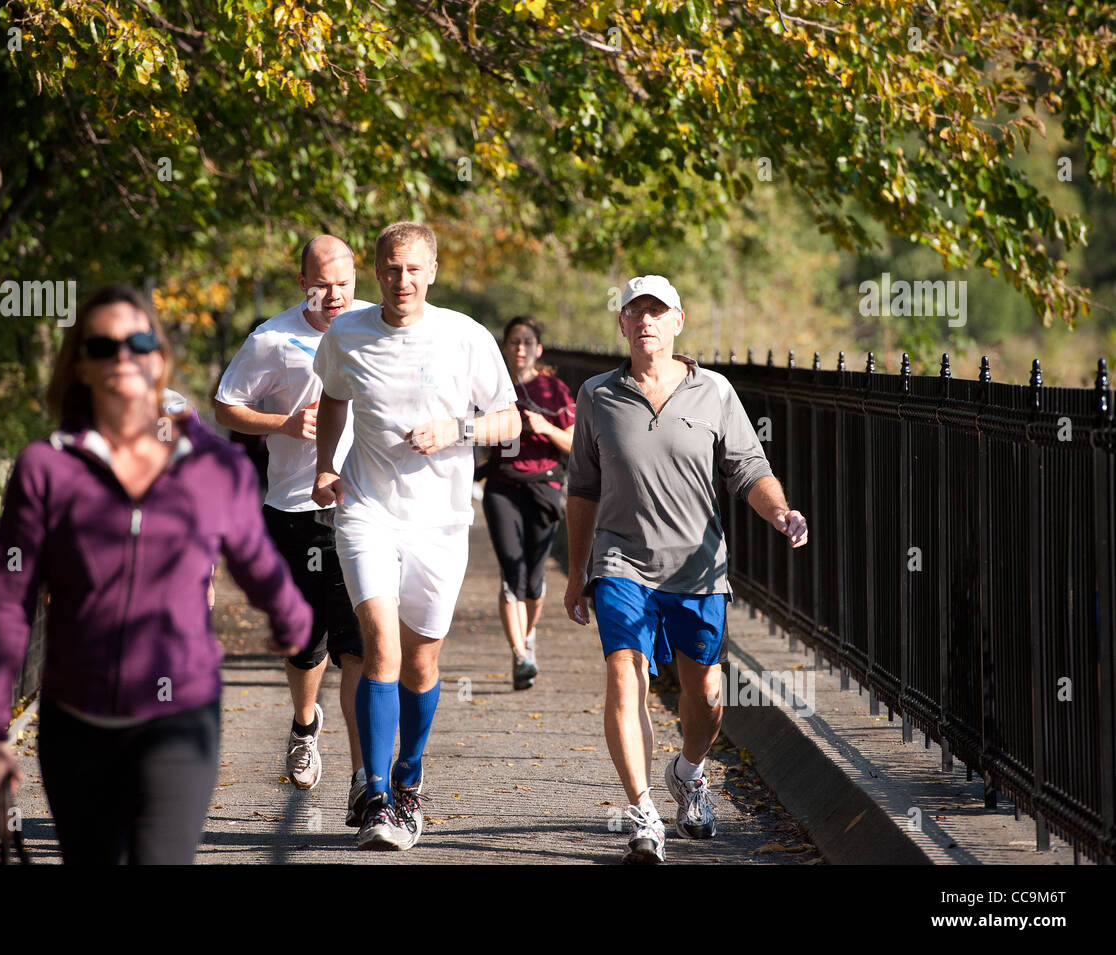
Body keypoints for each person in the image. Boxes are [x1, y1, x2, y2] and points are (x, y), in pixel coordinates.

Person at [0, 284, 311, 864]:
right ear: (79, 364)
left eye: (138, 342)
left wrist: (291, 616)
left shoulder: (210, 466)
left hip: (179, 715)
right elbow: (10, 600)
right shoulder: (47, 467)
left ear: (160, 359)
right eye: (103, 346)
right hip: (75, 719)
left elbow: (254, 558)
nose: (123, 356)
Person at [563, 275, 808, 864]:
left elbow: (749, 469)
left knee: (708, 695)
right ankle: (642, 811)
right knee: (625, 674)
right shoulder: (597, 395)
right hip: (622, 563)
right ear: (621, 324)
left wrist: (780, 512)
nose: (645, 320)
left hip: (698, 571)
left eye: (657, 311)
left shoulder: (715, 392)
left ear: (678, 321)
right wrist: (578, 573)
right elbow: (583, 491)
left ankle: (689, 772)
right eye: (634, 311)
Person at [311, 221, 520, 851]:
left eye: (413, 269)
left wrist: (455, 431)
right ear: (376, 272)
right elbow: (332, 401)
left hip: (441, 520)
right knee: (379, 646)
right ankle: (375, 793)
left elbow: (509, 421)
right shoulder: (348, 332)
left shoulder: (464, 336)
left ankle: (408, 777)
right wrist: (325, 464)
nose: (402, 280)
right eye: (390, 268)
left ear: (432, 271)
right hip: (367, 508)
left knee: (422, 659)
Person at [212, 235, 375, 825]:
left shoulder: (376, 327)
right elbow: (225, 406)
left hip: (365, 507)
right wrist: (282, 422)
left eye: (344, 283)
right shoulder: (271, 339)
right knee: (308, 642)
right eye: (322, 284)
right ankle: (305, 725)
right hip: (295, 506)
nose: (334, 296)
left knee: (358, 644)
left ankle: (366, 778)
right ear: (301, 279)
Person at [481, 316, 576, 690]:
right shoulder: (491, 388)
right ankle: (520, 655)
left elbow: (575, 446)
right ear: (505, 348)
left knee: (534, 580)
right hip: (502, 487)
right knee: (512, 574)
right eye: (513, 342)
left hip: (544, 486)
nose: (519, 348)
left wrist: (546, 428)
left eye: (526, 342)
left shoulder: (555, 390)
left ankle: (528, 634)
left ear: (538, 349)